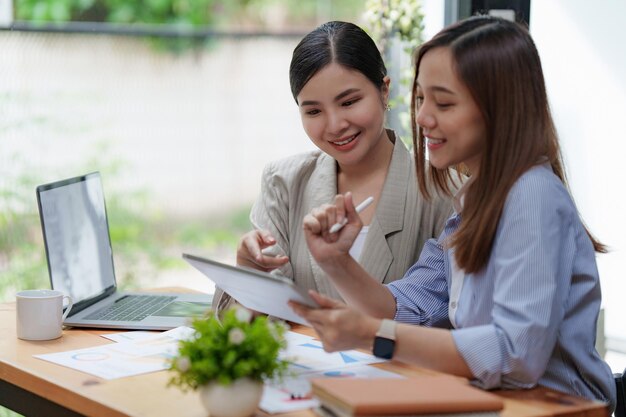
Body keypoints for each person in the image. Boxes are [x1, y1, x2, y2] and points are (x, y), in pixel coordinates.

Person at [290, 16, 616, 409]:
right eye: (421, 99)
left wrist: (372, 335)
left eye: (443, 103)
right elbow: (406, 308)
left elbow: (514, 355)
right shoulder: (475, 200)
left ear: (500, 109)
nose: (424, 118)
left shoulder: (532, 196)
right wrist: (336, 261)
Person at [213, 21, 455, 311]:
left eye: (349, 102)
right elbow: (248, 328)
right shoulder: (284, 183)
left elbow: (449, 318)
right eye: (313, 111)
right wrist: (248, 275)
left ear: (384, 90)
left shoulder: (445, 191)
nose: (335, 125)